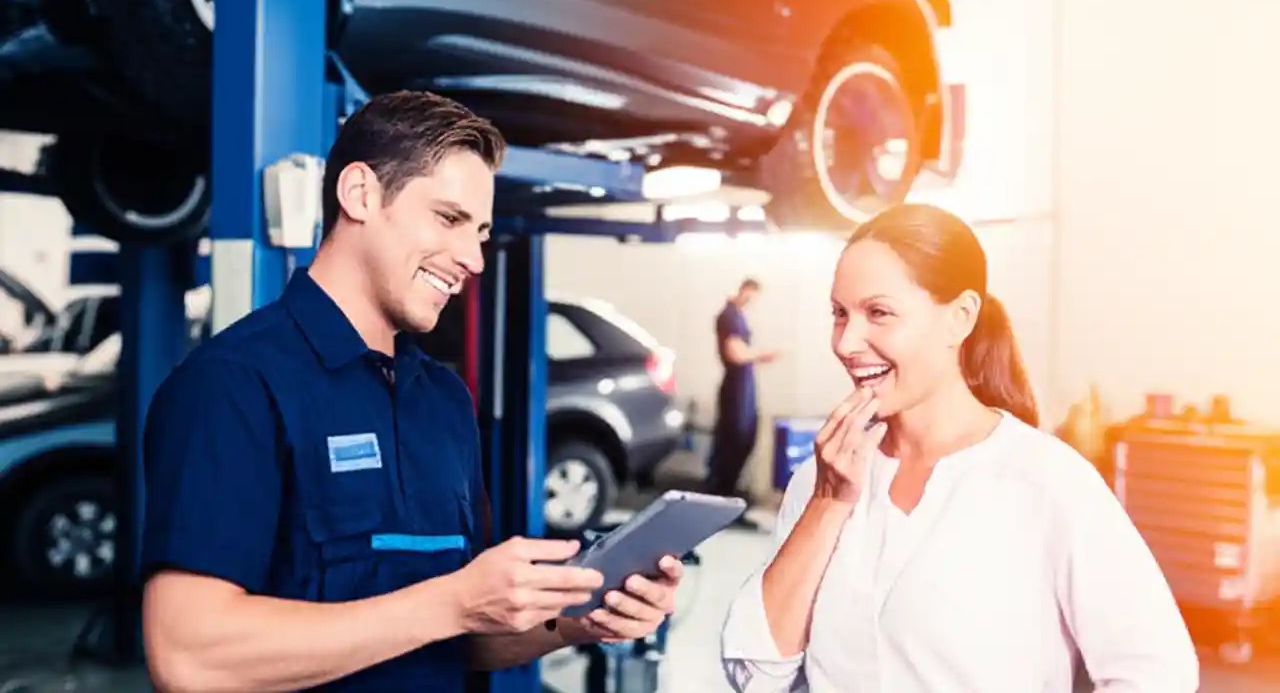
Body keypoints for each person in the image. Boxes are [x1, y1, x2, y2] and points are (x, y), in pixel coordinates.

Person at [139, 91, 682, 692]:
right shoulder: (235, 384)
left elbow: (465, 637)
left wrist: (582, 618)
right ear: (360, 195)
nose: (473, 259)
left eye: (480, 232)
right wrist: (450, 602)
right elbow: (189, 657)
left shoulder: (443, 401)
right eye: (448, 219)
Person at [720, 204, 1198, 692]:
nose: (847, 341)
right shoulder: (823, 480)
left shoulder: (1047, 481)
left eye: (879, 313)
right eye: (840, 314)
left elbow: (1156, 672)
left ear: (960, 318)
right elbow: (754, 674)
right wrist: (828, 502)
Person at [705, 278, 779, 504]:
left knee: (742, 437)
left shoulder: (736, 315)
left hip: (742, 384)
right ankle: (721, 493)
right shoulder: (730, 316)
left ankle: (726, 492)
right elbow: (735, 353)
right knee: (735, 438)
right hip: (736, 386)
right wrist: (762, 355)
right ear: (746, 290)